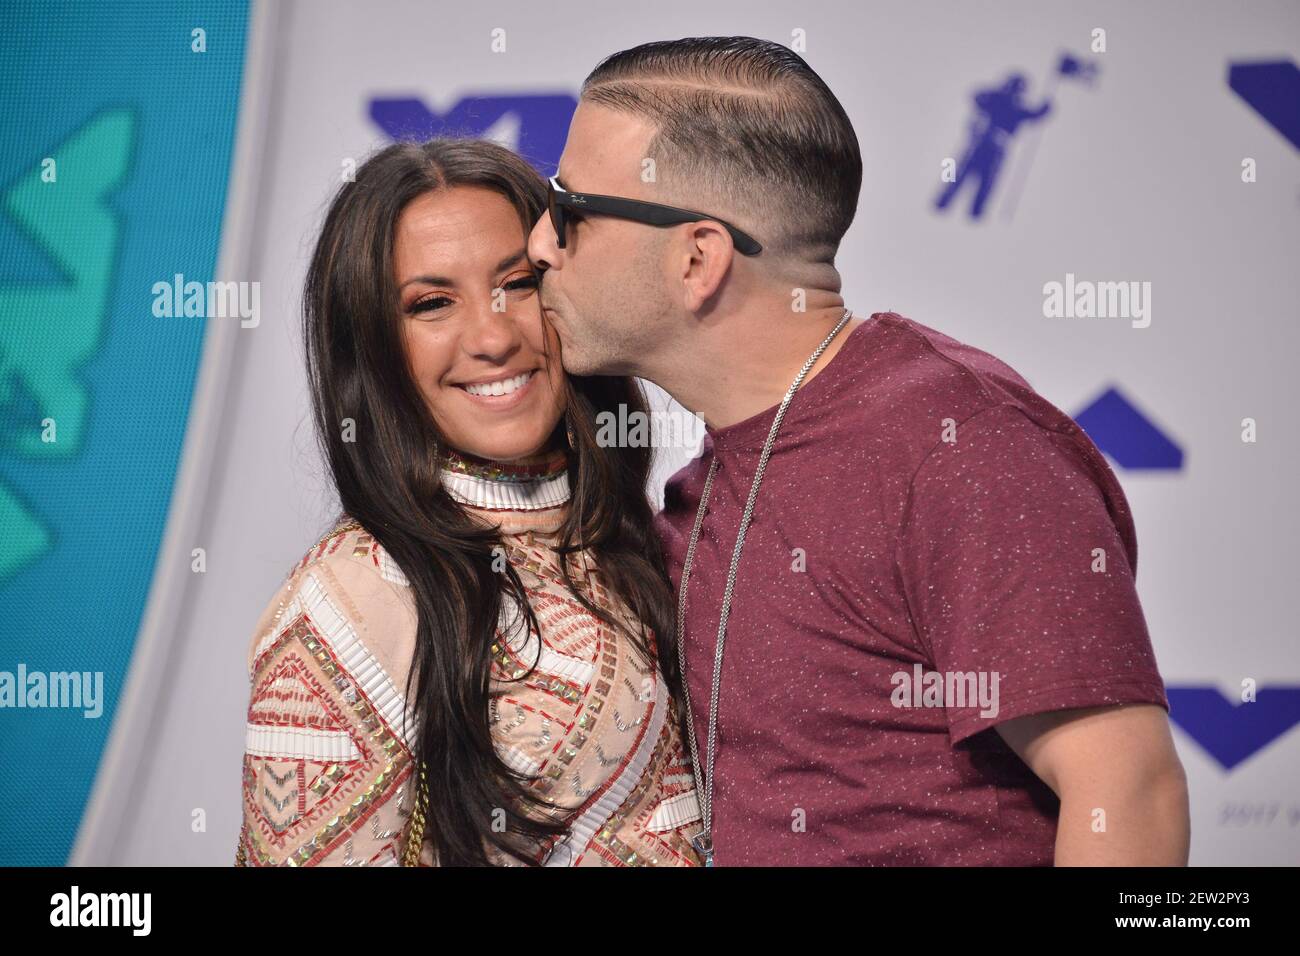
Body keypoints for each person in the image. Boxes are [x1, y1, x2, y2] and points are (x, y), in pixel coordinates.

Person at [526, 36, 1190, 865]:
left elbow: (1128, 795)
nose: (541, 244)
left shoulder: (962, 450)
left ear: (698, 258)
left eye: (572, 210)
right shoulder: (714, 474)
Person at [236, 138, 702, 866]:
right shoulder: (348, 602)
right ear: (372, 350)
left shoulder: (651, 539)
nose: (492, 337)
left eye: (517, 283)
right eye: (432, 303)